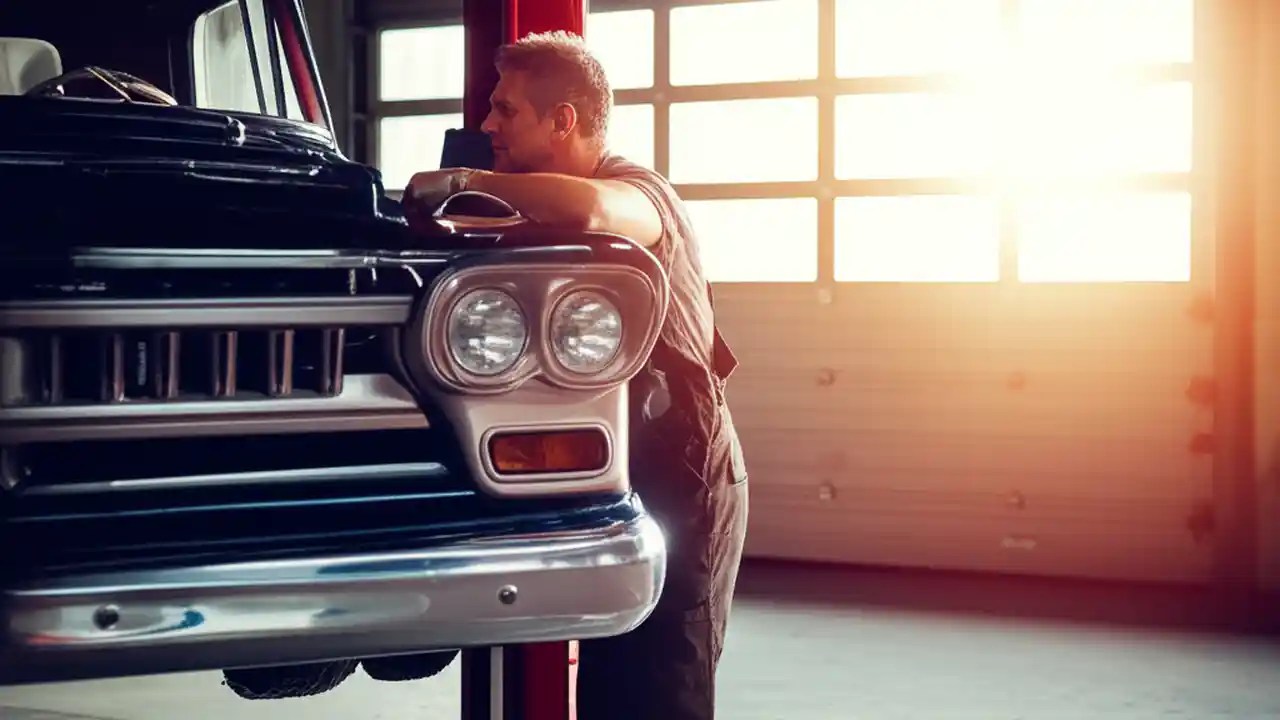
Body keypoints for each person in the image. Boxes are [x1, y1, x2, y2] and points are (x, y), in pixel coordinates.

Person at [403, 31, 749, 720]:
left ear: (563, 121)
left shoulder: (640, 192)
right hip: (624, 472)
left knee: (659, 687)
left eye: (506, 111)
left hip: (689, 478)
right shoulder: (541, 209)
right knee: (608, 688)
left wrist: (466, 183)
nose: (486, 125)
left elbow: (596, 211)